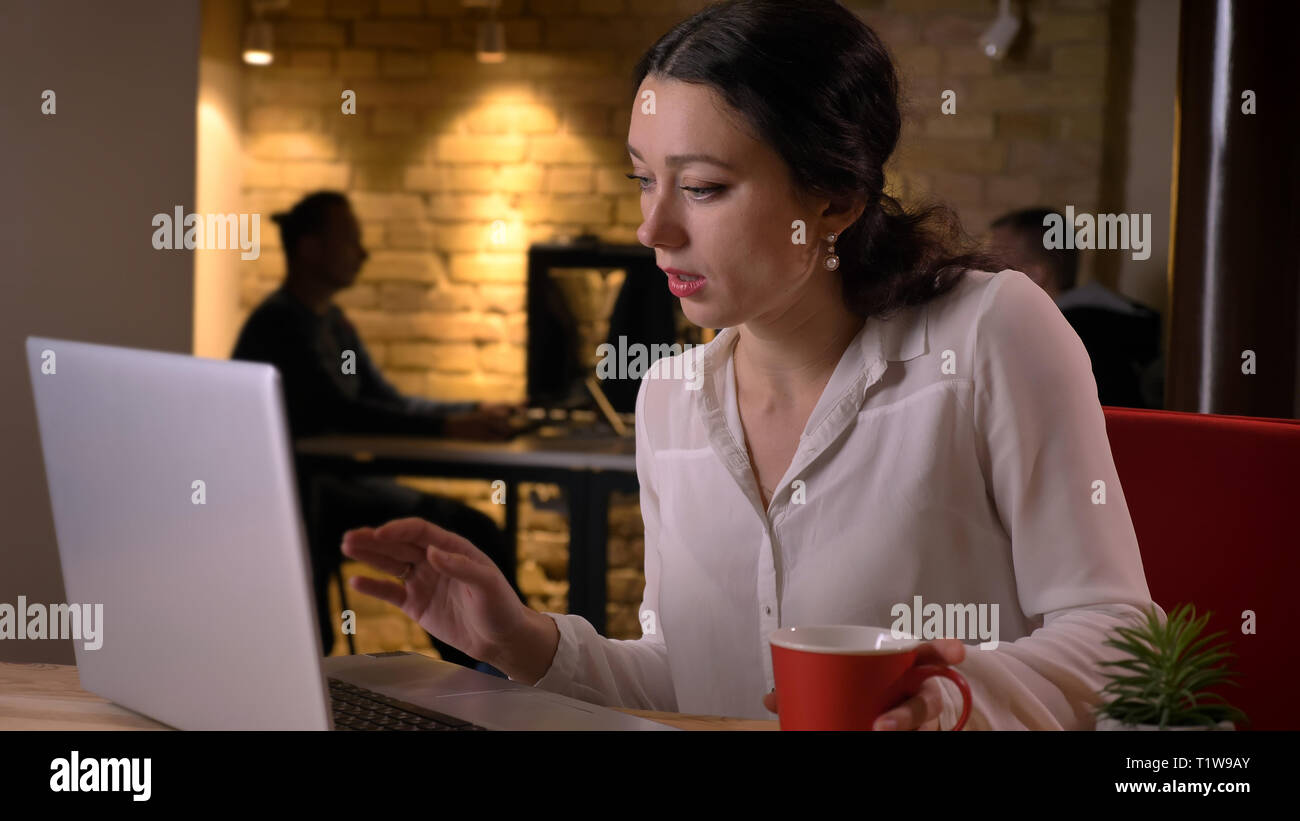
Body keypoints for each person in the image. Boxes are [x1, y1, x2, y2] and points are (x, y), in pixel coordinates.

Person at [341, 0, 1162, 729]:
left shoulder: (993, 331)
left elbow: (1117, 638)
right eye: (641, 180)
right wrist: (519, 637)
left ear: (834, 199)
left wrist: (955, 697)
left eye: (701, 187)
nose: (652, 228)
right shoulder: (669, 396)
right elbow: (689, 680)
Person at [231, 191, 523, 670]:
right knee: (469, 534)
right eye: (351, 240)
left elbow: (388, 401)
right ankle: (491, 678)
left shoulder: (333, 324)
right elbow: (346, 413)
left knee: (472, 534)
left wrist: (472, 409)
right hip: (300, 504)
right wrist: (451, 425)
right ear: (310, 248)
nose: (363, 253)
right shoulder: (279, 325)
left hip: (336, 491)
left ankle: (491, 672)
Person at [989, 208, 1164, 408]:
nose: (984, 273)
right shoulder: (1113, 328)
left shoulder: (1055, 340)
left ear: (1035, 274)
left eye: (994, 263)